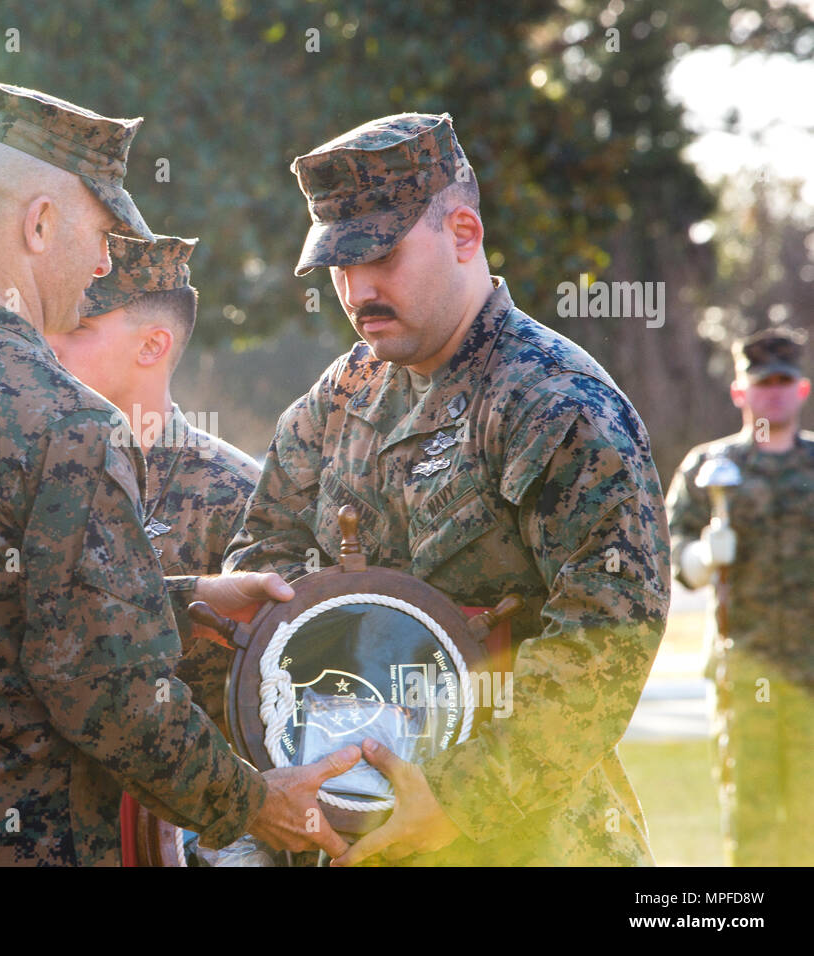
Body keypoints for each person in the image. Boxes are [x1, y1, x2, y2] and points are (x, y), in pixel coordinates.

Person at [0, 78, 356, 866]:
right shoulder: (69, 422)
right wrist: (252, 803)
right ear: (38, 224)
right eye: (101, 234)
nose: (103, 261)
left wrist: (182, 597)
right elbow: (109, 689)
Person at [225, 112, 671, 866]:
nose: (356, 287)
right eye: (338, 263)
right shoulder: (340, 398)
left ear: (463, 233)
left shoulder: (551, 402)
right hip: (352, 828)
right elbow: (262, 569)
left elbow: (607, 641)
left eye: (381, 255)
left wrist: (461, 801)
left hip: (526, 840)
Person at [47, 234, 260, 722]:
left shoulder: (239, 497)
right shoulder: (33, 473)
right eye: (47, 325)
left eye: (76, 327)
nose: (49, 344)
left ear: (151, 345)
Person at [665, 327, 814, 866]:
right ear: (739, 392)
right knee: (749, 818)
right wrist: (701, 559)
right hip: (745, 673)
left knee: (808, 819)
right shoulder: (710, 469)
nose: (773, 393)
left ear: (801, 391)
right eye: (762, 383)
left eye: (783, 383)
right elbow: (670, 546)